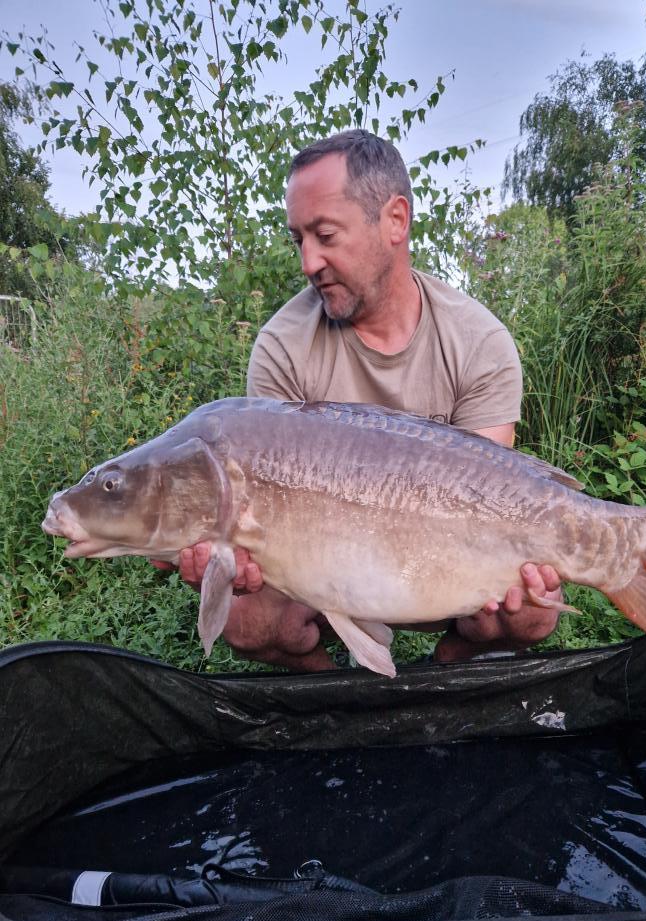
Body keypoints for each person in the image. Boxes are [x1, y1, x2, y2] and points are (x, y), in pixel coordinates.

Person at [167, 130, 563, 671]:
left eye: (325, 235)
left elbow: (487, 494)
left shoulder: (479, 342)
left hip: (444, 563)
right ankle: (335, 697)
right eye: (298, 239)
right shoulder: (283, 346)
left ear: (395, 220)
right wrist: (224, 555)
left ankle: (435, 680)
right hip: (320, 566)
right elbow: (256, 512)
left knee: (529, 613)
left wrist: (519, 558)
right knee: (247, 617)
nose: (308, 261)